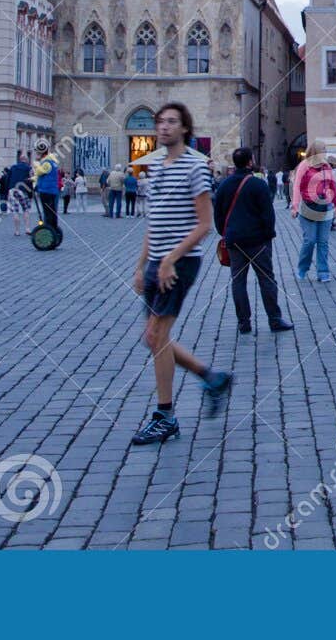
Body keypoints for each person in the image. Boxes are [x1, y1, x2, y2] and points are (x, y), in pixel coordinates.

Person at [128, 103, 232, 446]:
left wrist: (171, 258)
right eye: (160, 122)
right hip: (159, 261)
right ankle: (211, 377)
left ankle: (165, 416)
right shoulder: (155, 167)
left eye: (172, 122)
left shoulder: (196, 166)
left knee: (157, 336)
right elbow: (153, 223)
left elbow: (205, 224)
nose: (164, 127)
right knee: (154, 338)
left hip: (181, 262)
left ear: (185, 128)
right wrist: (142, 264)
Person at [214, 147, 293, 336]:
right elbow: (268, 214)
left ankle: (244, 322)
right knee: (266, 279)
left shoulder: (224, 185)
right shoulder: (258, 185)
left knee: (238, 281)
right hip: (258, 241)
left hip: (234, 241)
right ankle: (274, 319)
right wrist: (268, 235)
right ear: (250, 162)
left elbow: (218, 214)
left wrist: (225, 233)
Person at [292, 140, 336, 282]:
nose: (325, 151)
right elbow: (297, 186)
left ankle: (323, 272)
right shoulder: (304, 166)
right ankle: (303, 268)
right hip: (307, 208)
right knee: (310, 240)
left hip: (325, 208)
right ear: (315, 150)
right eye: (323, 149)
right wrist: (295, 206)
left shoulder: (327, 167)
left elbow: (333, 187)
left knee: (323, 241)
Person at [32, 144, 61, 239]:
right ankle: (54, 229)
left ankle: (49, 231)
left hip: (46, 190)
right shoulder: (53, 162)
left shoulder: (46, 163)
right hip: (52, 190)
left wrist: (36, 164)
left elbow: (41, 171)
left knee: (48, 213)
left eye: (37, 152)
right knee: (52, 212)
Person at [5, 152, 33, 237]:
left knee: (15, 211)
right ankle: (27, 228)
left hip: (13, 190)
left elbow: (8, 179)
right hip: (23, 190)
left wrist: (7, 191)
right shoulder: (28, 168)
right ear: (26, 160)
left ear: (19, 160)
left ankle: (17, 231)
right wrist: (30, 193)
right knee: (26, 209)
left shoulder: (13, 167)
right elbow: (30, 181)